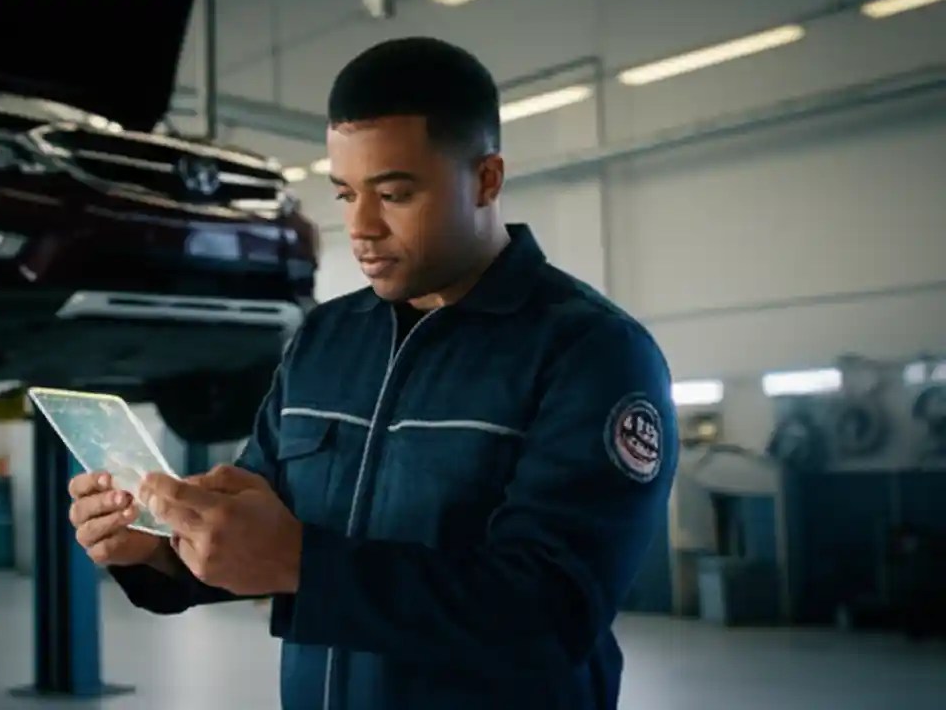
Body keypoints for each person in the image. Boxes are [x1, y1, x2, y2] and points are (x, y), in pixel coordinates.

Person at [68, 36, 678, 710]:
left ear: (486, 179)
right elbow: (256, 537)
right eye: (344, 193)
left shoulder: (591, 353)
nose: (359, 227)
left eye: (393, 194)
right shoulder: (327, 338)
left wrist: (305, 563)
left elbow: (552, 609)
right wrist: (154, 552)